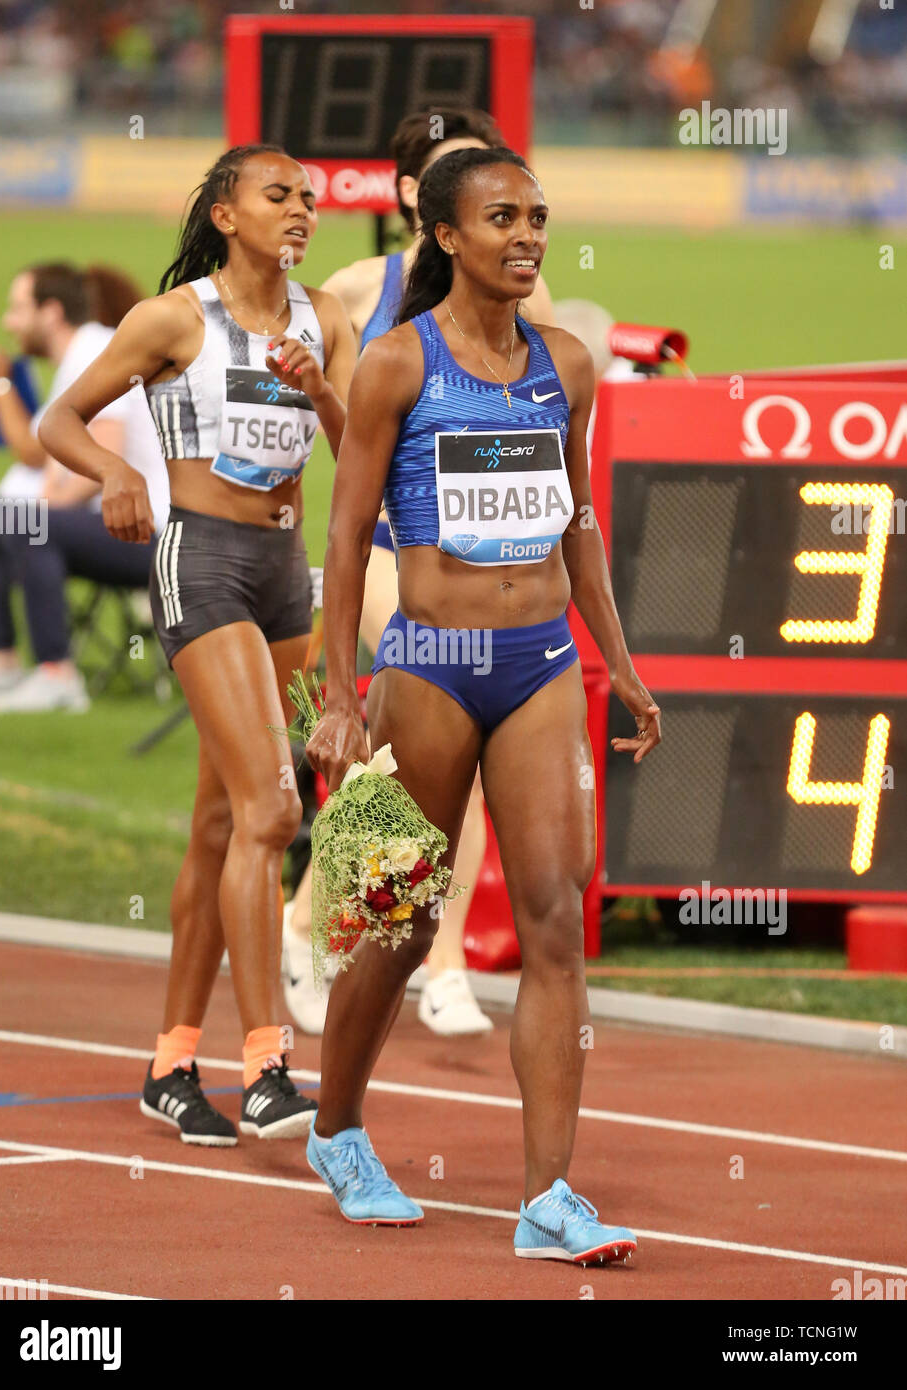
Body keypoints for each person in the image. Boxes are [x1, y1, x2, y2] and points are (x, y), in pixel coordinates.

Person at [302, 146, 661, 1262]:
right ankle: (338, 1126)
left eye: (538, 216)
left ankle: (547, 1197)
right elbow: (347, 532)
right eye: (502, 216)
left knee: (554, 918)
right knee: (398, 919)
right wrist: (334, 693)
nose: (527, 235)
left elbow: (579, 523)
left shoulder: (567, 363)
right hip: (431, 660)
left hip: (541, 661)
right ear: (444, 235)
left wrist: (623, 660)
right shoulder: (397, 366)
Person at [38, 144, 356, 1146]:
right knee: (272, 804)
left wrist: (321, 393)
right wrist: (117, 477)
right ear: (225, 214)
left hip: (285, 575)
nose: (302, 210)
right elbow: (61, 419)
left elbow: (362, 457)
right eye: (278, 196)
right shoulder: (176, 318)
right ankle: (267, 1065)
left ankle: (172, 1059)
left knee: (224, 823)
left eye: (309, 197)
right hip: (203, 564)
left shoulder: (326, 319)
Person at [283, 108, 556, 1037]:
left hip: (487, 559)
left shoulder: (531, 291)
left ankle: (379, 943)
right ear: (417, 199)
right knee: (415, 754)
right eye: (458, 177)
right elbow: (328, 427)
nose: (498, 209)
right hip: (394, 550)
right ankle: (407, 958)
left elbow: (549, 405)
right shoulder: (361, 289)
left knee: (426, 765)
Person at [0, 263, 169, 712]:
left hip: (152, 531)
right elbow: (35, 452)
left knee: (30, 523)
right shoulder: (79, 355)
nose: (6, 321)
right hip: (111, 524)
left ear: (53, 313)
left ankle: (57, 673)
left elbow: (106, 455)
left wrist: (40, 509)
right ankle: (0, 659)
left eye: (18, 308)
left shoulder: (95, 350)